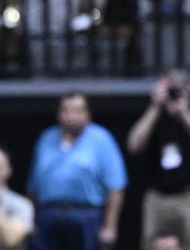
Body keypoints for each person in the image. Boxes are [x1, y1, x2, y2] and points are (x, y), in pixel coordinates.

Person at [27, 92, 127, 250]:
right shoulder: (46, 138)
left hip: (86, 215)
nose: (71, 116)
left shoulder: (101, 139)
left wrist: (110, 226)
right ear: (59, 113)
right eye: (66, 110)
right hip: (49, 215)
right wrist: (32, 220)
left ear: (88, 114)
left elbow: (116, 187)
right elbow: (33, 186)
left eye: (76, 110)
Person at [127, 70, 190, 248]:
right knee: (149, 242)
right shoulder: (153, 114)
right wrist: (155, 107)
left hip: (186, 194)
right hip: (156, 195)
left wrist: (183, 114)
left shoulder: (186, 113)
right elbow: (134, 145)